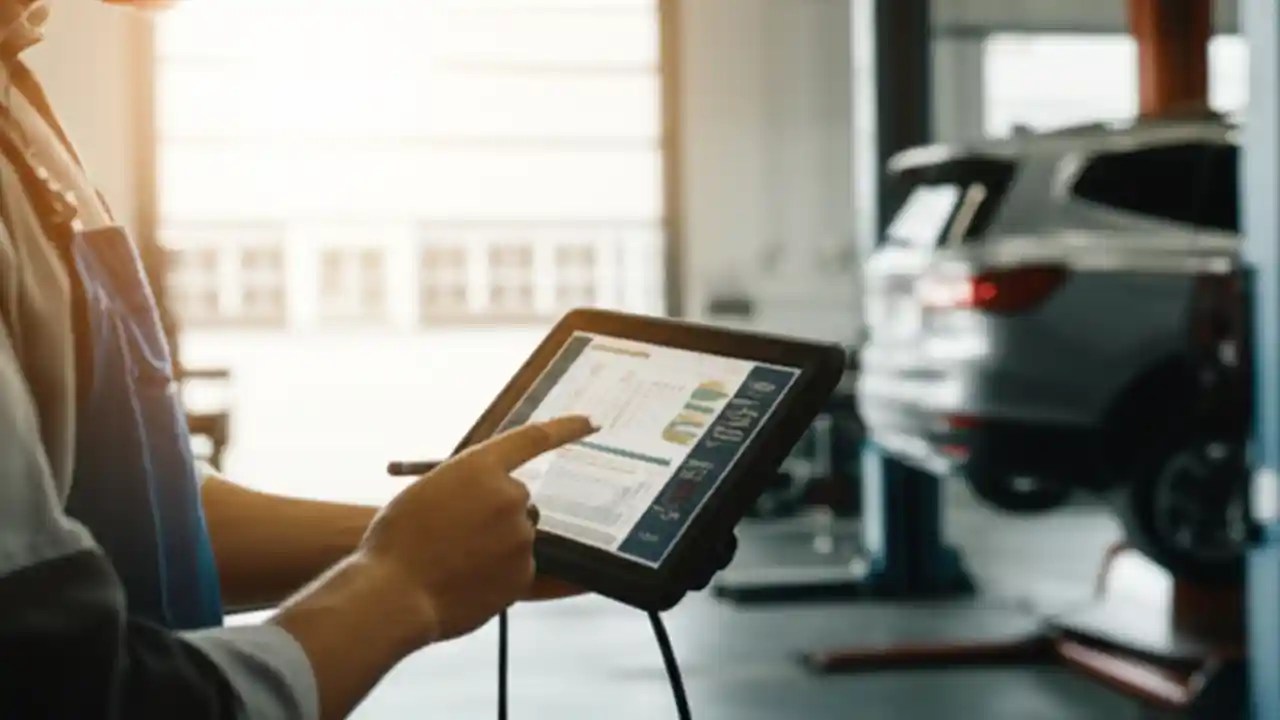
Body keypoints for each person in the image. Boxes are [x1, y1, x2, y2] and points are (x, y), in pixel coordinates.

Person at [0, 1, 597, 718]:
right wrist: (399, 587)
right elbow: (74, 695)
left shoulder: (20, 97)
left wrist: (444, 542)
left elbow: (130, 519)